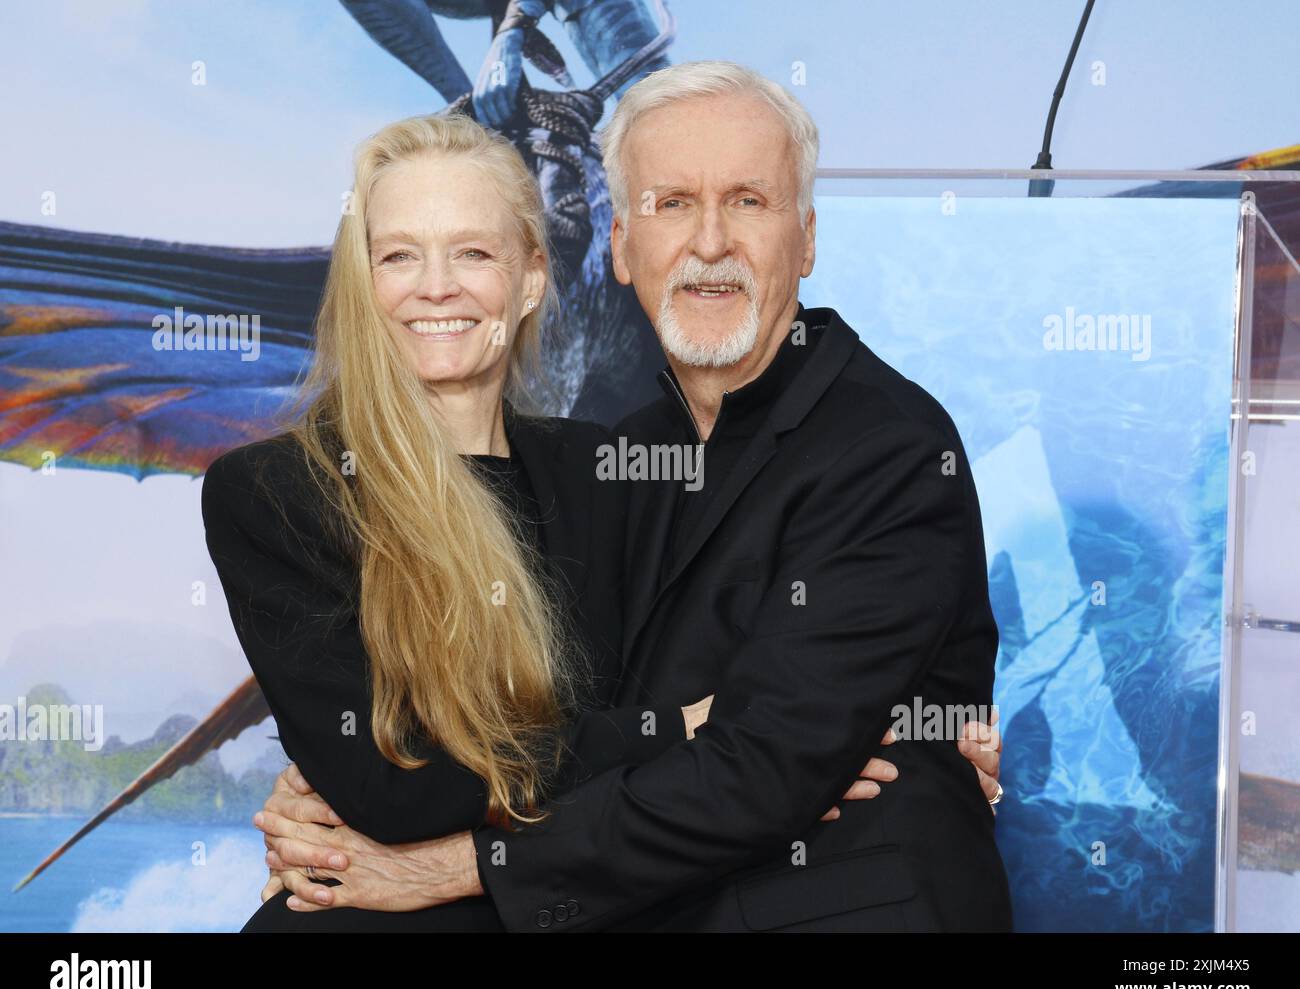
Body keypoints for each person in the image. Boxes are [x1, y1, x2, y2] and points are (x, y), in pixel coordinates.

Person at [254, 62, 1012, 932]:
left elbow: (763, 769)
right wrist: (337, 788)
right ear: (620, 245)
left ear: (807, 239)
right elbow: (546, 719)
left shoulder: (889, 448)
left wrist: (454, 865)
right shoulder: (613, 459)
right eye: (672, 203)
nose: (711, 241)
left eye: (750, 202)